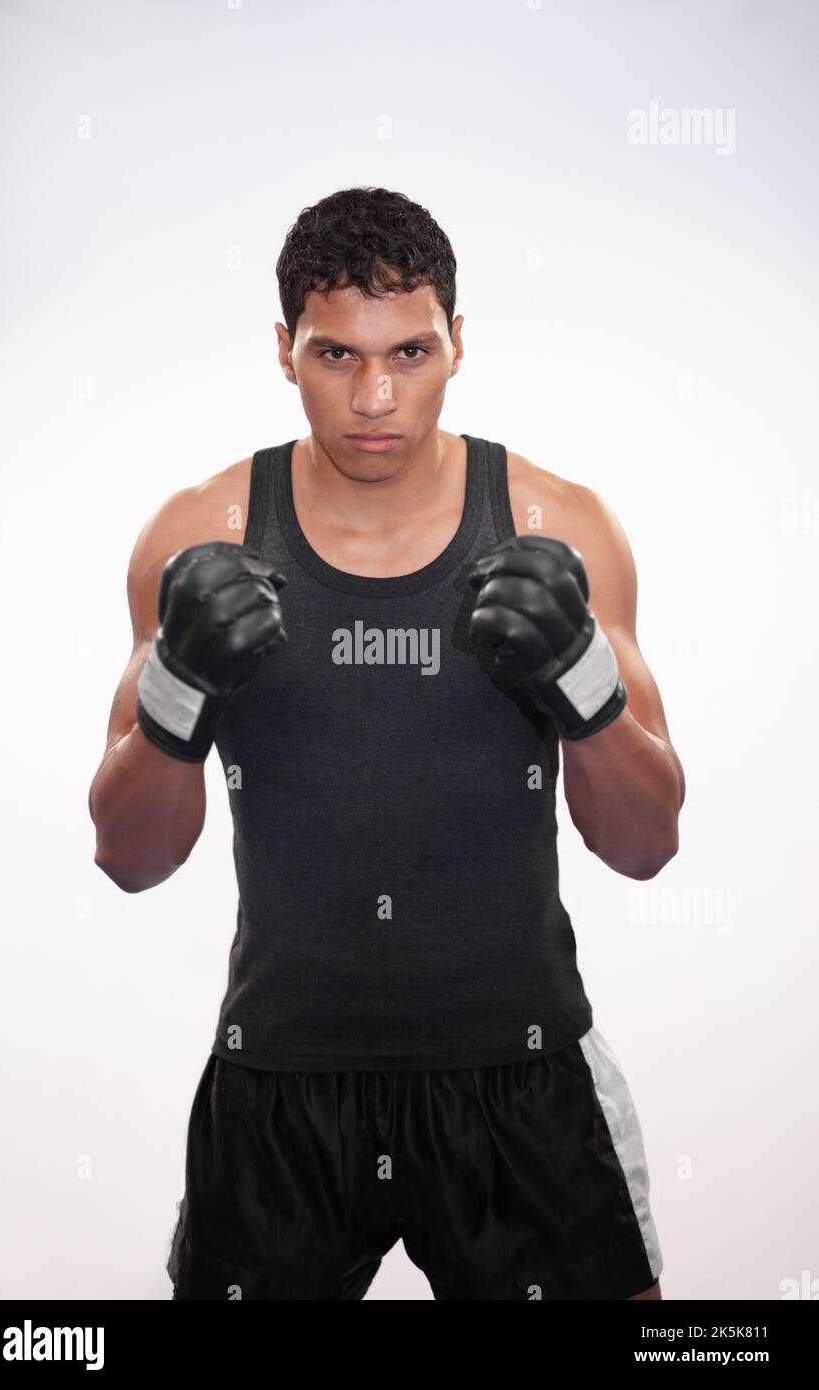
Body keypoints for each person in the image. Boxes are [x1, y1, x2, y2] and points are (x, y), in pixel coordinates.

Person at [88, 186, 685, 1300]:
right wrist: (179, 686)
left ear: (458, 341)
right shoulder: (196, 536)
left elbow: (646, 845)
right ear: (282, 350)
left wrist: (582, 682)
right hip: (278, 1083)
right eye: (334, 354)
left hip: (520, 1071)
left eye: (409, 351)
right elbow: (129, 858)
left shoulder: (558, 525)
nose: (373, 396)